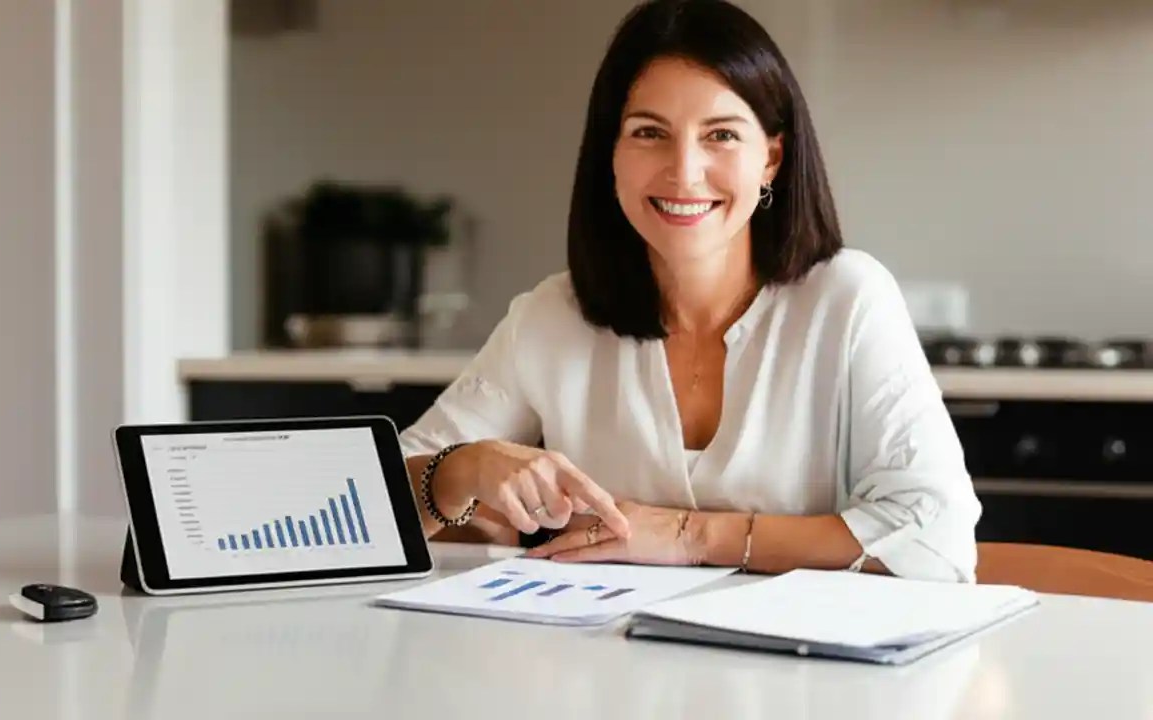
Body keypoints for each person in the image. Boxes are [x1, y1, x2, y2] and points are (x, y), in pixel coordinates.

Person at [398, 0, 981, 582]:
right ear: (612, 156)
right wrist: (460, 469)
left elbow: (938, 539)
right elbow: (367, 500)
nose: (684, 171)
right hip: (610, 665)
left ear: (771, 159)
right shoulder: (553, 317)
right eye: (649, 133)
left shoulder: (848, 299)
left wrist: (690, 536)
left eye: (721, 135)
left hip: (805, 672)